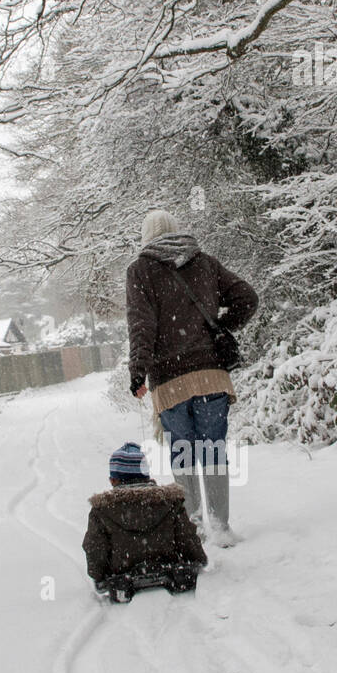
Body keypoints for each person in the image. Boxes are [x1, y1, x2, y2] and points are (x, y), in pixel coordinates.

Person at [125, 210, 258, 546]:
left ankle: (194, 527)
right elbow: (247, 298)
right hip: (211, 374)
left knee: (183, 451)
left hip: (170, 381)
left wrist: (138, 371)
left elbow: (142, 325)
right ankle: (221, 527)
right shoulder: (204, 262)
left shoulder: (141, 271)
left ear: (146, 237)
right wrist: (220, 327)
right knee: (213, 448)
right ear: (176, 231)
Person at [82, 442, 207, 602]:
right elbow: (186, 535)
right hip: (168, 565)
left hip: (123, 572)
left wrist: (99, 576)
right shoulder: (169, 501)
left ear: (113, 480)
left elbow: (94, 546)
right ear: (147, 475)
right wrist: (197, 559)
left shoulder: (102, 510)